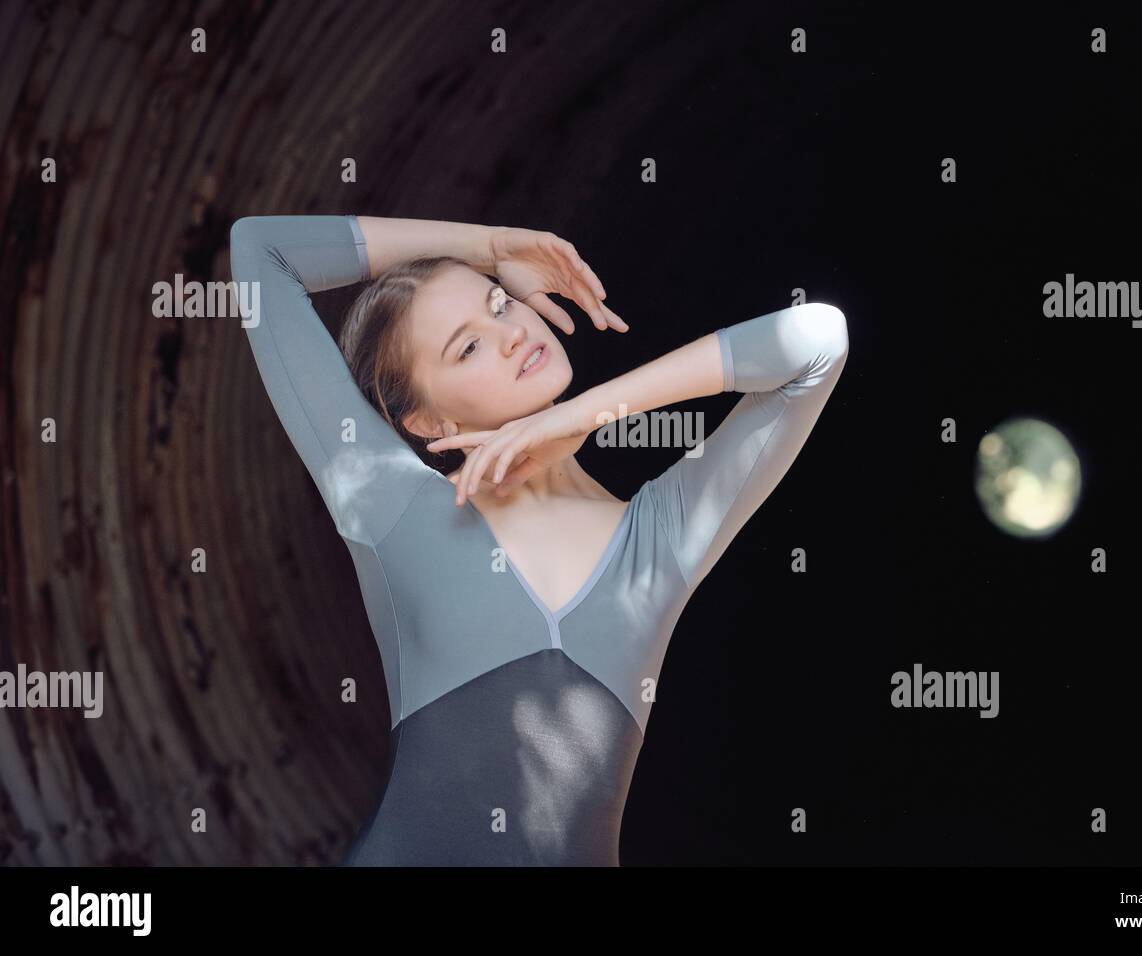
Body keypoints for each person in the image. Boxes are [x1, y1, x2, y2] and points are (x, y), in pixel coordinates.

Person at [228, 214, 849, 865]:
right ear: (426, 420)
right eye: (466, 347)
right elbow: (261, 250)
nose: (509, 332)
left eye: (499, 301)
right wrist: (486, 247)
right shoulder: (392, 505)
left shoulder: (661, 535)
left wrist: (583, 414)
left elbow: (816, 341)